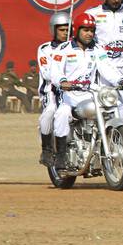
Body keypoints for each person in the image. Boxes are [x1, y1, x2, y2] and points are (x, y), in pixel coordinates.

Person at [52, 12, 123, 164]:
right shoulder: (63, 49)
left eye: (92, 30)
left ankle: (111, 143)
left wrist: (120, 80)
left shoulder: (98, 50)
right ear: (76, 30)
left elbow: (106, 67)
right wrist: (62, 81)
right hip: (70, 95)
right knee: (62, 114)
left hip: (90, 93)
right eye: (85, 30)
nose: (89, 34)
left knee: (118, 106)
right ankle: (60, 154)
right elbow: (55, 71)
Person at [36, 13, 71, 160]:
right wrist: (62, 80)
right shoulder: (44, 49)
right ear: (54, 30)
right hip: (50, 91)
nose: (65, 33)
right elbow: (47, 72)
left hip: (72, 89)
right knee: (50, 112)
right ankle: (47, 149)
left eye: (67, 29)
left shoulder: (74, 48)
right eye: (62, 30)